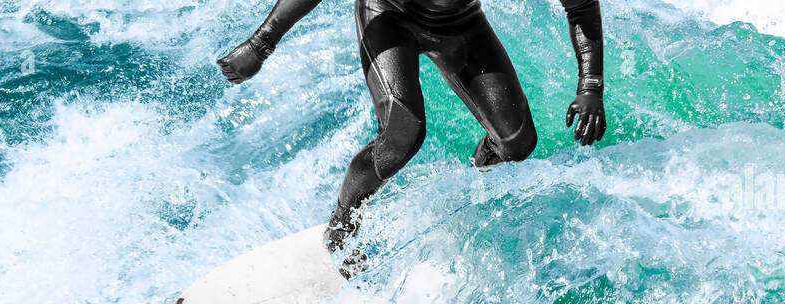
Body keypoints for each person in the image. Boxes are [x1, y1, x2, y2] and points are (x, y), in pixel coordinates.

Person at [218, 0, 606, 278]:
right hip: (390, 15)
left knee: (517, 141)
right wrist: (260, 44)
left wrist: (590, 85)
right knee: (404, 133)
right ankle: (341, 226)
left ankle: (470, 195)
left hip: (460, 23)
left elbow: (581, 7)